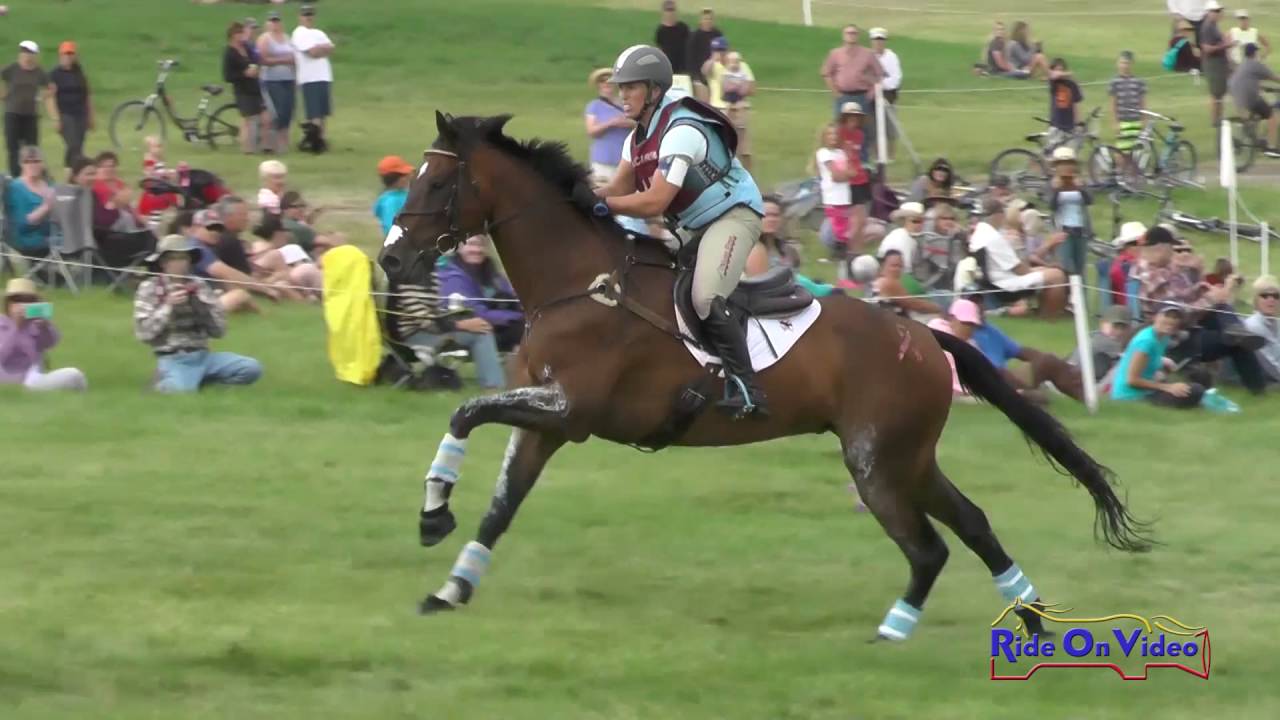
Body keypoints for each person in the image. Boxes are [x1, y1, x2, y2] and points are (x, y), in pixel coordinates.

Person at [594, 44, 767, 418]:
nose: (622, 95)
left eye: (631, 87)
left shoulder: (681, 130)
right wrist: (579, 196)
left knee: (705, 298)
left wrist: (603, 204)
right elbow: (619, 189)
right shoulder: (635, 137)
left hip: (734, 215)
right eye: (621, 88)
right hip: (695, 229)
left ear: (654, 91)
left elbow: (653, 201)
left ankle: (747, 388)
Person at [135, 234, 263, 393]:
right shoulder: (149, 288)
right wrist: (168, 306)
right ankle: (161, 383)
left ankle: (203, 384)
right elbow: (144, 334)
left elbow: (219, 332)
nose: (180, 262)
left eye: (184, 257)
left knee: (251, 368)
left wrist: (201, 307)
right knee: (181, 392)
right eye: (174, 257)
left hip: (204, 356)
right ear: (163, 262)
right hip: (174, 358)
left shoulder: (199, 286)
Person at [968, 196, 1068, 316]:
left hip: (994, 280)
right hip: (1005, 285)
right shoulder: (994, 237)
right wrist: (1038, 269)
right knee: (1056, 275)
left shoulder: (980, 233)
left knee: (1047, 271)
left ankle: (1046, 312)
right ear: (998, 215)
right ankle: (1049, 316)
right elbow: (1020, 270)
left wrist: (1038, 269)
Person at [437, 234, 525, 353]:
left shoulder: (489, 270)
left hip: (503, 324)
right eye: (471, 244)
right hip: (474, 330)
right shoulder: (453, 276)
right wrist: (516, 317)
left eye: (481, 245)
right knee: (524, 331)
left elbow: (511, 296)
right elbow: (476, 313)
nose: (477, 250)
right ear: (459, 247)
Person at [0, 278, 87, 391]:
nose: (22, 305)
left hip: (32, 378)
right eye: (16, 300)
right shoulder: (2, 324)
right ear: (8, 304)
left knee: (75, 375)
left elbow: (51, 343)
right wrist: (16, 327)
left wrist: (45, 326)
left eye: (28, 300)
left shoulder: (35, 324)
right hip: (6, 377)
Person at [1111, 306, 1205, 407]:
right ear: (1155, 317)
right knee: (1195, 390)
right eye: (1167, 315)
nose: (1171, 320)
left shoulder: (1164, 337)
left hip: (1148, 390)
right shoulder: (1146, 341)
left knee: (1199, 380)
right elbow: (1132, 380)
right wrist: (1167, 387)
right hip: (1131, 396)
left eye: (1176, 317)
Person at [821, 25, 883, 162]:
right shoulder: (835, 53)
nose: (851, 35)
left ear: (858, 36)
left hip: (862, 97)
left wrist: (871, 93)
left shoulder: (868, 54)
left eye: (854, 33)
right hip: (843, 96)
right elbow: (826, 73)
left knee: (863, 130)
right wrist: (835, 92)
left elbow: (879, 74)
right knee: (840, 129)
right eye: (848, 33)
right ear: (843, 35)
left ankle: (863, 161)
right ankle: (840, 160)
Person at [2, 41, 50, 177]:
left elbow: (51, 87)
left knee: (32, 148)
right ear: (20, 54)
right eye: (25, 53)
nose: (27, 56)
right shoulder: (12, 69)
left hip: (30, 115)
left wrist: (42, 97)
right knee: (13, 148)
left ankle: (31, 175)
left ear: (35, 55)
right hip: (12, 113)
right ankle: (15, 176)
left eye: (31, 53)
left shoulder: (39, 72)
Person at [705, 47, 755, 170]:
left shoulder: (743, 67)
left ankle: (749, 176)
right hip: (721, 109)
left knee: (744, 147)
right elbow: (704, 72)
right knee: (723, 145)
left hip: (740, 108)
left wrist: (741, 88)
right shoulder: (715, 66)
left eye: (722, 51)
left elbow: (751, 89)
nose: (720, 54)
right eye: (717, 51)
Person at [1045, 147, 1092, 276]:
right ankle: (1067, 294)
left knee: (1080, 269)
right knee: (1064, 267)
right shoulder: (1052, 184)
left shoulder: (1080, 181)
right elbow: (1051, 206)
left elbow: (1089, 201)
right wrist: (1056, 190)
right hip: (1063, 231)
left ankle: (1082, 294)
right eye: (1061, 164)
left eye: (1069, 163)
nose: (1066, 166)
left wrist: (1080, 188)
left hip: (1080, 230)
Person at [584, 68, 634, 187]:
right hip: (603, 160)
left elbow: (641, 124)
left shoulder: (626, 103)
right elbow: (591, 131)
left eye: (610, 81)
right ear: (599, 85)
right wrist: (610, 123)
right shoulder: (594, 106)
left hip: (626, 159)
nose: (607, 84)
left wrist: (629, 123)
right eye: (603, 81)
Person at [46, 41, 93, 168]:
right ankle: (75, 169)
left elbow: (87, 95)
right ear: (60, 55)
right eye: (65, 54)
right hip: (65, 114)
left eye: (70, 53)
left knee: (79, 145)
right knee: (73, 144)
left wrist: (90, 116)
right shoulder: (54, 74)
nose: (68, 56)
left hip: (80, 113)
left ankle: (73, 170)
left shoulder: (79, 73)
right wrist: (55, 119)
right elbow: (49, 98)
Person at [3, 145, 54, 261]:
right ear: (21, 164)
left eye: (36, 161)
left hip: (53, 235)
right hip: (27, 240)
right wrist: (46, 207)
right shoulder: (15, 188)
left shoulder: (50, 186)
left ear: (42, 164)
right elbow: (22, 225)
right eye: (27, 162)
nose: (32, 165)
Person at [1229, 43, 1280, 156]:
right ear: (1255, 53)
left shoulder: (1242, 65)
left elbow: (1248, 80)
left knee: (1256, 115)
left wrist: (1264, 88)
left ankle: (1254, 138)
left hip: (1236, 95)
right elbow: (1275, 78)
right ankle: (1271, 148)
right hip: (1249, 97)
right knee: (1271, 115)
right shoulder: (1256, 64)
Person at [256, 10, 296, 154]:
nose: (275, 24)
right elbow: (263, 59)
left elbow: (294, 58)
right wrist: (284, 59)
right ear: (267, 23)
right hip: (272, 80)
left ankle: (284, 142)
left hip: (288, 78)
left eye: (277, 21)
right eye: (272, 21)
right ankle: (271, 143)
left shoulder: (287, 37)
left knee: (288, 111)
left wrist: (294, 74)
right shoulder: (264, 38)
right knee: (276, 112)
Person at [837, 102, 873, 257]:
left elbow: (857, 156)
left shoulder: (859, 134)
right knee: (855, 218)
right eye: (851, 117)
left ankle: (858, 249)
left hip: (861, 178)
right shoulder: (839, 133)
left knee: (862, 218)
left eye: (857, 117)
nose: (854, 120)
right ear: (845, 118)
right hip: (849, 180)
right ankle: (853, 249)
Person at [292, 4, 335, 132]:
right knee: (314, 113)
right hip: (310, 78)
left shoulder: (319, 32)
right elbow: (312, 53)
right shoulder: (299, 33)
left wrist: (319, 50)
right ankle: (314, 140)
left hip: (324, 76)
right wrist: (322, 49)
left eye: (310, 14)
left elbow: (331, 48)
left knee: (323, 113)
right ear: (300, 17)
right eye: (305, 15)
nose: (308, 17)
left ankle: (322, 139)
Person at [223, 21, 263, 154]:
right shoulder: (229, 52)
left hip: (254, 86)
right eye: (238, 33)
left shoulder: (246, 48)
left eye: (241, 32)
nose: (241, 36)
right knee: (247, 118)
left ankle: (255, 145)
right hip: (242, 89)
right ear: (232, 35)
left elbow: (256, 59)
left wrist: (255, 68)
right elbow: (228, 76)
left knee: (259, 116)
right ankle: (247, 148)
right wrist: (244, 74)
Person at [1067, 304, 1133, 384]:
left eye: (1123, 327)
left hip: (1072, 378)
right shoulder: (1105, 342)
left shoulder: (1093, 336)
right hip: (1078, 383)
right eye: (1115, 326)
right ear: (1102, 324)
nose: (1119, 331)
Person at [869, 249, 942, 319]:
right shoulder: (889, 283)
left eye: (900, 266)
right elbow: (914, 304)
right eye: (894, 266)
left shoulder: (878, 281)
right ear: (883, 265)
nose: (898, 270)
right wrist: (938, 308)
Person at [869, 28, 901, 158]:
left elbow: (896, 78)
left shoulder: (892, 56)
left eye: (881, 40)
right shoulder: (867, 55)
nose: (878, 43)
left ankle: (891, 156)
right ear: (871, 41)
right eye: (876, 40)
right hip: (871, 96)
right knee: (872, 128)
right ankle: (876, 157)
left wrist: (879, 84)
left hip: (888, 96)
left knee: (890, 128)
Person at [1243, 274, 1280, 384]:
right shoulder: (1253, 326)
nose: (1271, 299)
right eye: (1265, 296)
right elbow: (1268, 365)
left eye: (1275, 296)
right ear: (1256, 300)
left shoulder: (1276, 322)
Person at [1109, 51, 1147, 157]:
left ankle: (1134, 173)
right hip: (1122, 121)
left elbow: (1142, 102)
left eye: (1127, 63)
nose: (1124, 66)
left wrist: (1144, 119)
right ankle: (1122, 172)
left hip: (1136, 120)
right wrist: (1114, 122)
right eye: (1122, 63)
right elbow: (1113, 104)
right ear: (1118, 64)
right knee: (1121, 151)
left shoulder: (1139, 81)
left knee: (1137, 152)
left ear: (1132, 64)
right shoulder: (1114, 82)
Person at [1200, 1, 1231, 128]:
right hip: (1213, 63)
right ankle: (1215, 120)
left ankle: (1220, 119)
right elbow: (1206, 48)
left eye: (1219, 11)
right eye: (1216, 11)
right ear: (1209, 12)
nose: (1219, 13)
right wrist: (1226, 45)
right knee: (1215, 94)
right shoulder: (1207, 27)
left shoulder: (1214, 26)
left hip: (1219, 63)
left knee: (1220, 93)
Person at [686, 8, 723, 100]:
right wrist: (695, 76)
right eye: (705, 19)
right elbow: (690, 57)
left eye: (710, 19)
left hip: (715, 74)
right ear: (701, 20)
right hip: (699, 75)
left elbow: (723, 52)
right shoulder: (694, 36)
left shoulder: (717, 34)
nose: (708, 21)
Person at [654, 1, 691, 92]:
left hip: (683, 68)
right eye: (668, 10)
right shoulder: (661, 30)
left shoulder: (683, 27)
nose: (670, 12)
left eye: (672, 10)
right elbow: (660, 49)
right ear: (664, 12)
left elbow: (690, 46)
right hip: (668, 69)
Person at [877, 201, 925, 271]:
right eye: (915, 221)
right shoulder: (904, 239)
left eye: (922, 221)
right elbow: (906, 271)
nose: (920, 225)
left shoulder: (901, 234)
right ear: (903, 221)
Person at [373, 155, 413, 237]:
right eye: (406, 174)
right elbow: (391, 228)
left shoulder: (404, 194)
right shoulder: (390, 202)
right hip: (402, 245)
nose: (410, 176)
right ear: (400, 179)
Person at [1047, 58, 1083, 142]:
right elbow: (1053, 75)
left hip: (1070, 126)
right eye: (1057, 70)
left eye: (1061, 70)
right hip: (1056, 126)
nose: (1059, 72)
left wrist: (1078, 124)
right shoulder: (1053, 83)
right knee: (1054, 153)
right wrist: (1068, 74)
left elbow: (1076, 105)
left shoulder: (1072, 84)